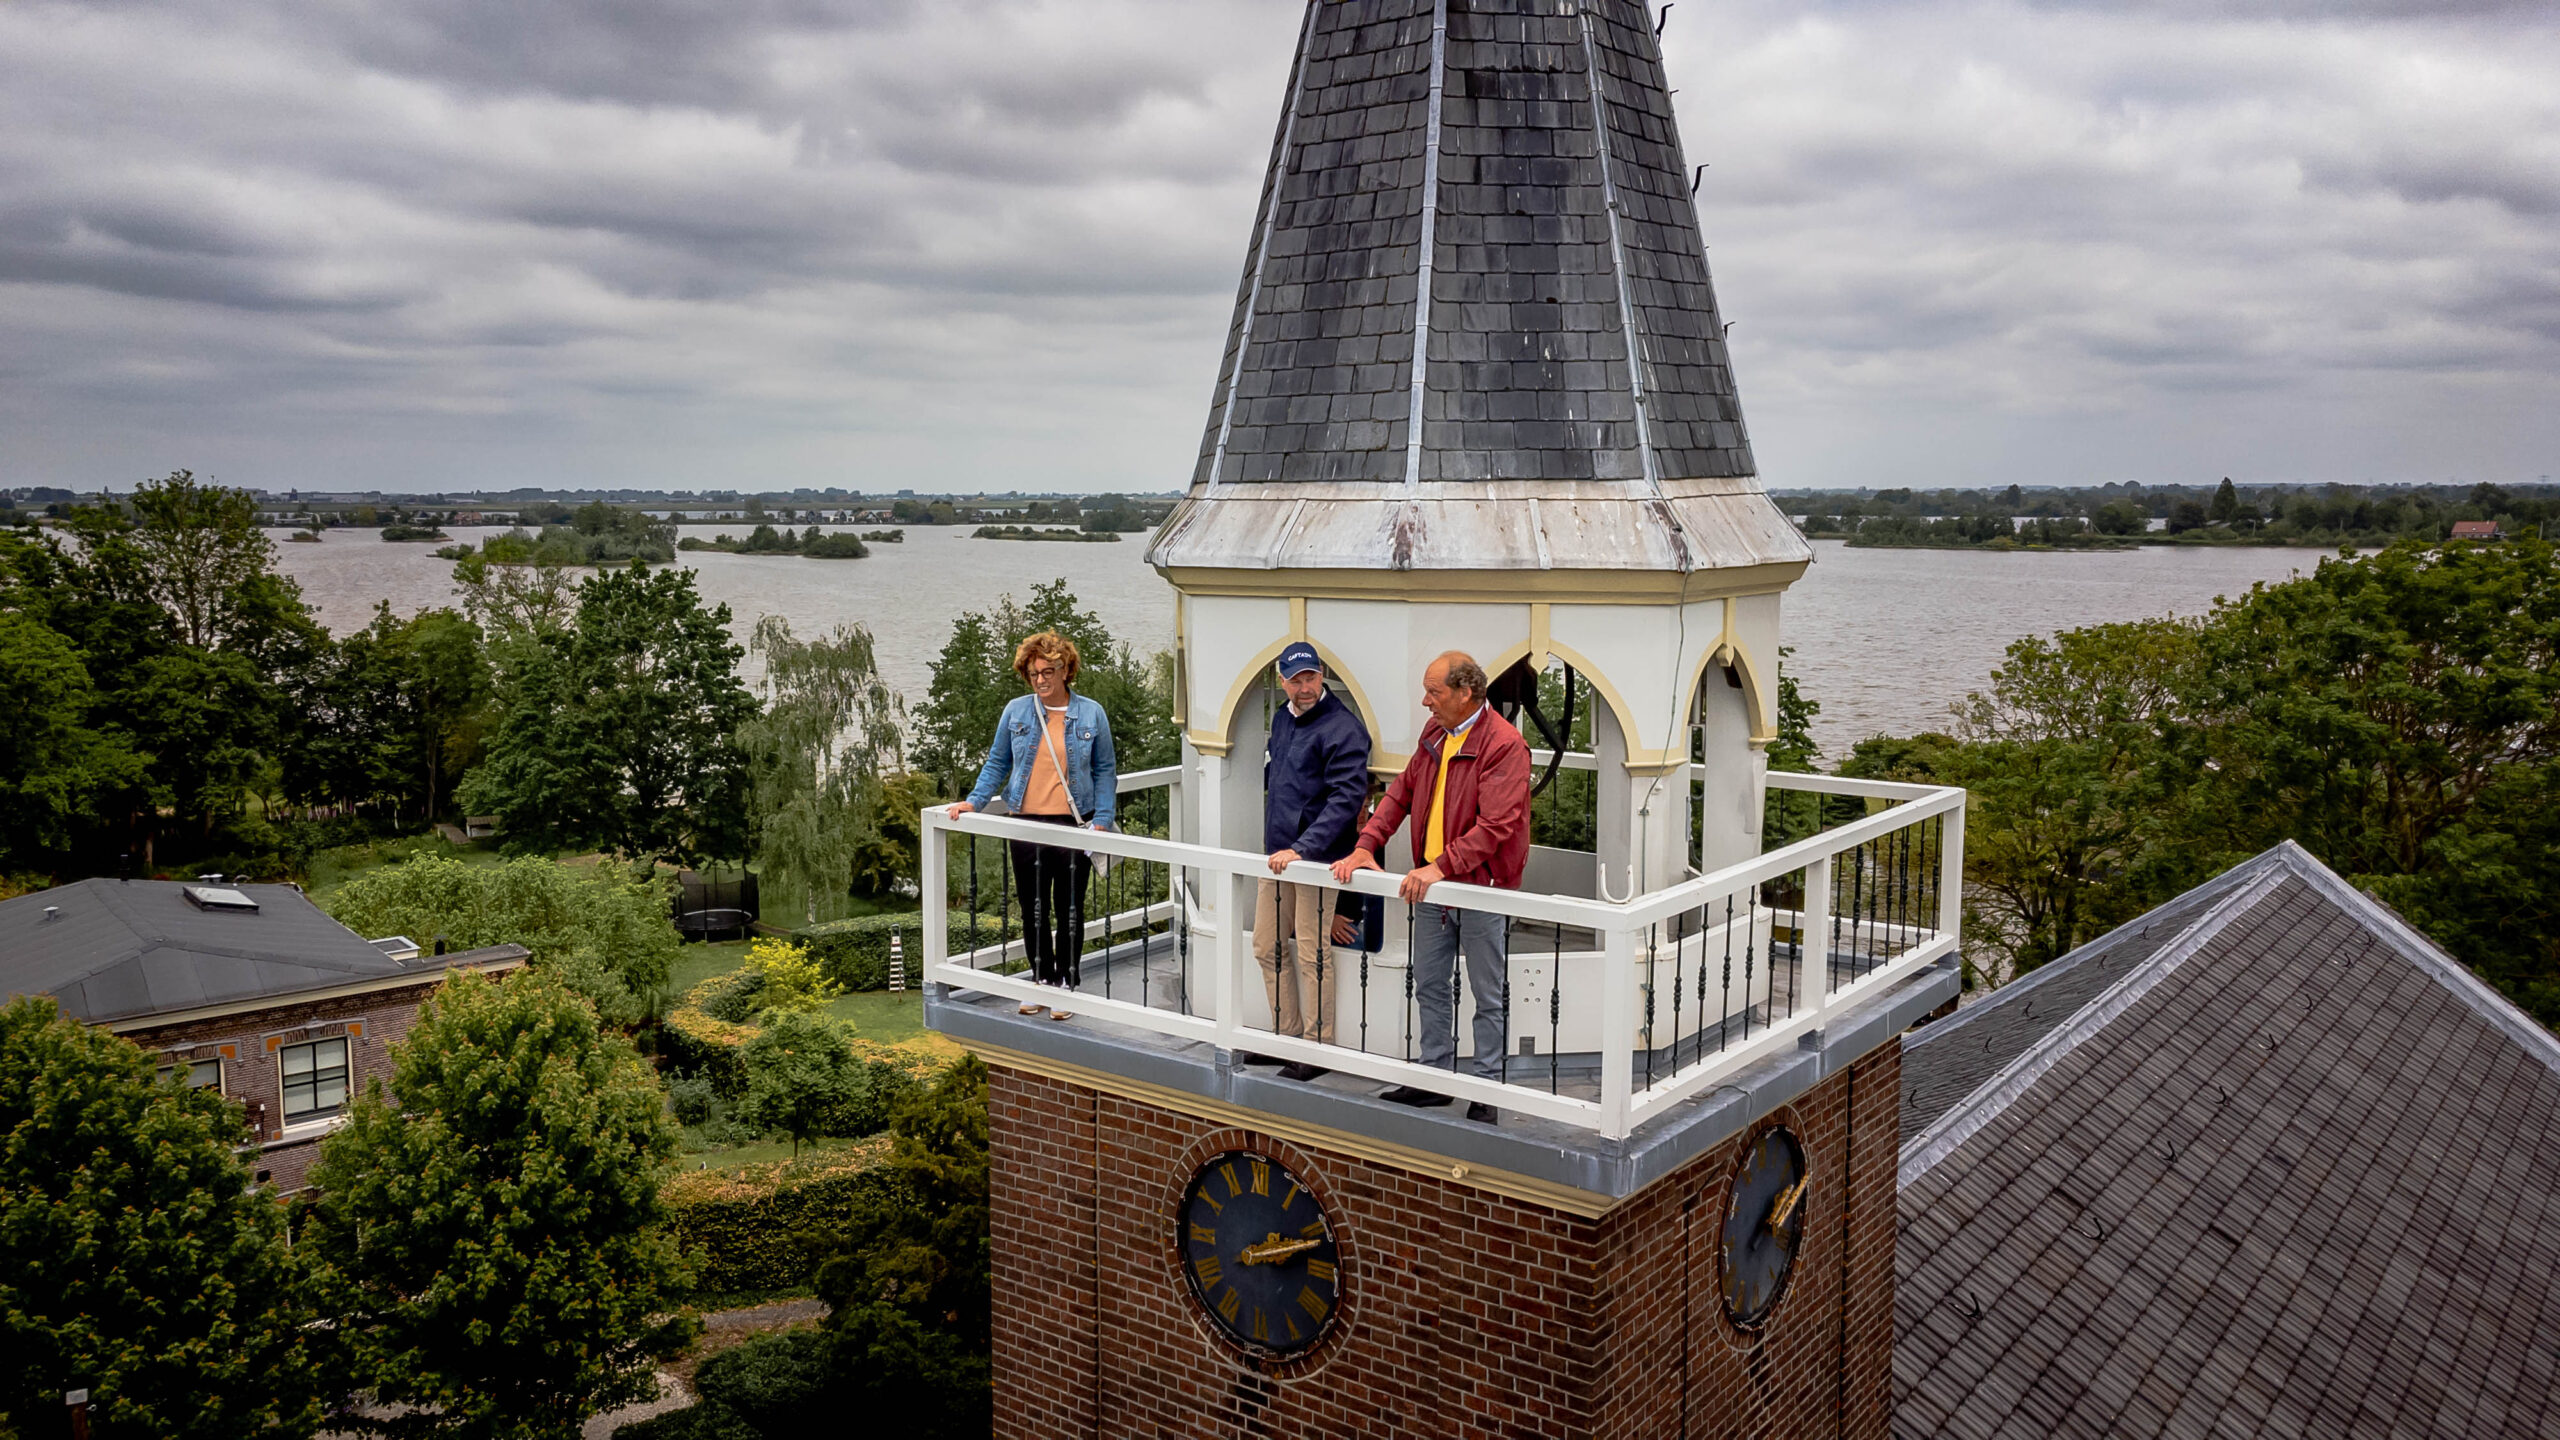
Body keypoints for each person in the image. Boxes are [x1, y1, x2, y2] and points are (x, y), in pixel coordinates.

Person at [1333, 651, 1529, 1123]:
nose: (1425, 702)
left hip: (1479, 887)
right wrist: (1366, 845)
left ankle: (1487, 1088)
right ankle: (1435, 1079)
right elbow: (1401, 792)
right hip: (1432, 884)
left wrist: (1440, 866)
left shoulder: (1504, 745)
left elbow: (1498, 826)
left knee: (1488, 993)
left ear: (1466, 693)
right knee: (1430, 985)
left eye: (1434, 692)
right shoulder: (1435, 735)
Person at [949, 630, 1117, 1022]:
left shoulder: (1091, 713)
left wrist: (1104, 821)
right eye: (1033, 673)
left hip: (1074, 825)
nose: (1040, 680)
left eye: (1048, 671)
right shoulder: (1017, 712)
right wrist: (973, 800)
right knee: (1034, 908)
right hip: (1024, 823)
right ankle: (1040, 981)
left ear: (1066, 670)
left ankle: (1067, 986)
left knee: (1070, 910)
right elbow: (997, 762)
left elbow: (1105, 770)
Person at [1252, 642, 1373, 1082]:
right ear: (1281, 681)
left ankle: (1316, 1047)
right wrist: (1281, 847)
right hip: (1278, 855)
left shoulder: (1344, 729)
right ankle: (1285, 1038)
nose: (1304, 688)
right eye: (1295, 679)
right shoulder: (1282, 718)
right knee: (1266, 946)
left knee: (1312, 952)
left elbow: (1346, 800)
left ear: (1322, 674)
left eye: (1310, 678)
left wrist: (1304, 847)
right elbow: (1276, 779)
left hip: (1317, 859)